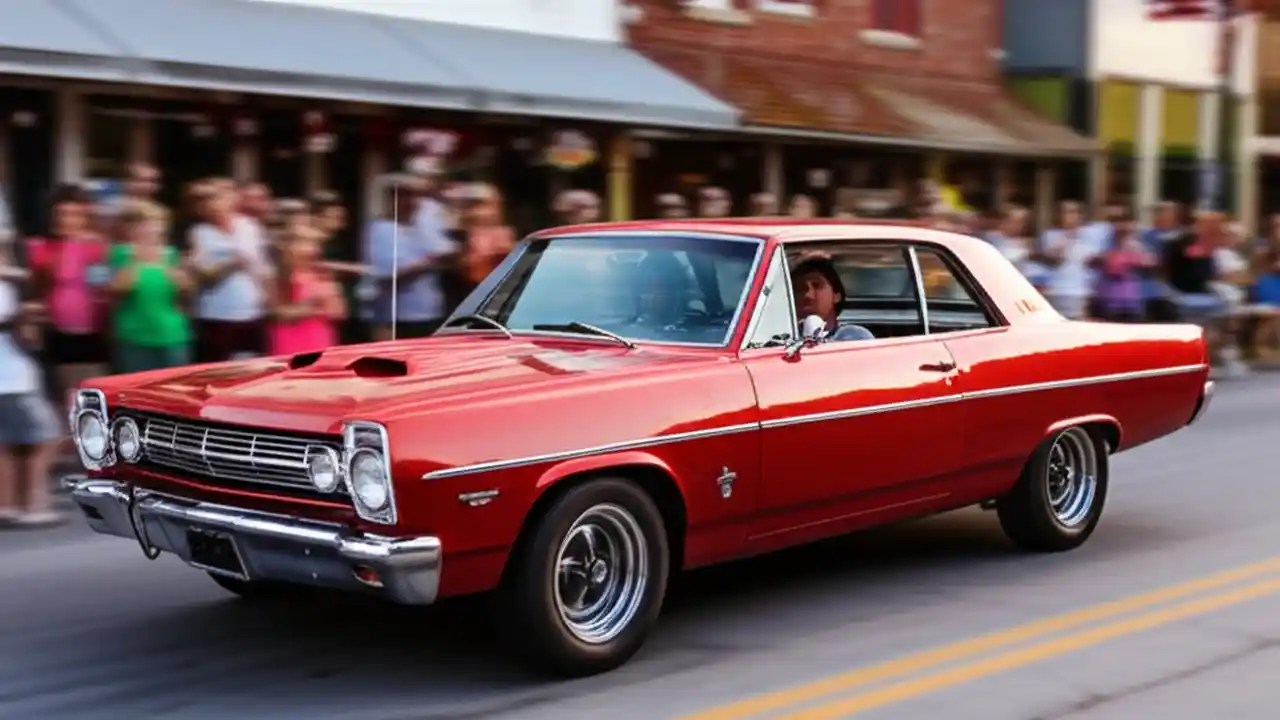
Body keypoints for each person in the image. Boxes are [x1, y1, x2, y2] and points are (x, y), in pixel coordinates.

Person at [0, 236, 63, 529]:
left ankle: (8, 505)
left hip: (11, 378)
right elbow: (24, 335)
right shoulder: (6, 288)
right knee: (48, 437)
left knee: (8, 445)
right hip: (13, 378)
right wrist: (27, 316)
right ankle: (34, 505)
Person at [107, 202, 193, 372]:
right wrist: (137, 260)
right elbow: (115, 290)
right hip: (134, 335)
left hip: (172, 335)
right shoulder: (120, 253)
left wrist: (181, 276)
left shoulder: (172, 255)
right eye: (142, 224)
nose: (149, 229)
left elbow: (185, 292)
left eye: (154, 224)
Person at [790, 253, 873, 342]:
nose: (808, 295)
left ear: (836, 295)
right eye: (799, 288)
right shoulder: (780, 339)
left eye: (817, 285)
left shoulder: (854, 336)